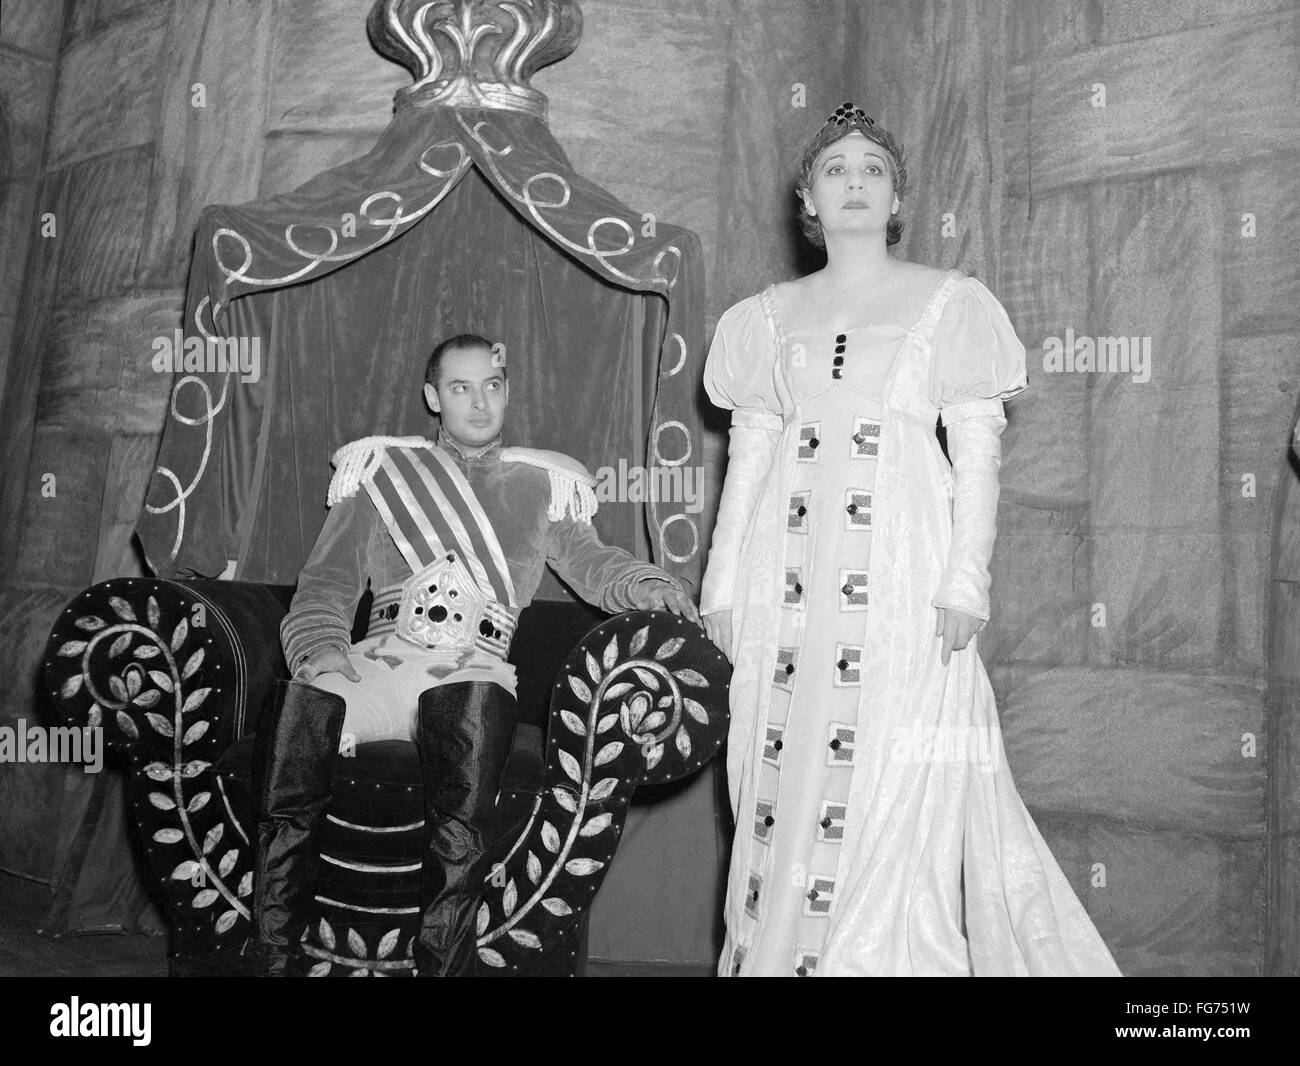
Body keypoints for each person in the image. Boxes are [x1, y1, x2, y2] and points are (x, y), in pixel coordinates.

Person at [700, 103, 1120, 976]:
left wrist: (966, 582)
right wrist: (722, 591)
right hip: (785, 576)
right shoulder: (763, 318)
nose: (854, 181)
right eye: (836, 170)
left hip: (898, 573)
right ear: (807, 200)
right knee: (775, 765)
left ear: (898, 200)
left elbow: (976, 448)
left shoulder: (950, 301)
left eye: (873, 170)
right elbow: (749, 457)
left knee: (895, 772)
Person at [254, 333, 698, 977]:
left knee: (469, 722)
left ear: (508, 389)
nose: (479, 401)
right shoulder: (382, 471)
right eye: (461, 387)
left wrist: (649, 584)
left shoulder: (543, 482)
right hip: (375, 661)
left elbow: (595, 564)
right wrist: (321, 654)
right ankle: (271, 954)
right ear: (435, 396)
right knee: (306, 709)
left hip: (474, 670)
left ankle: (444, 965)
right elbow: (325, 585)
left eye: (492, 384)